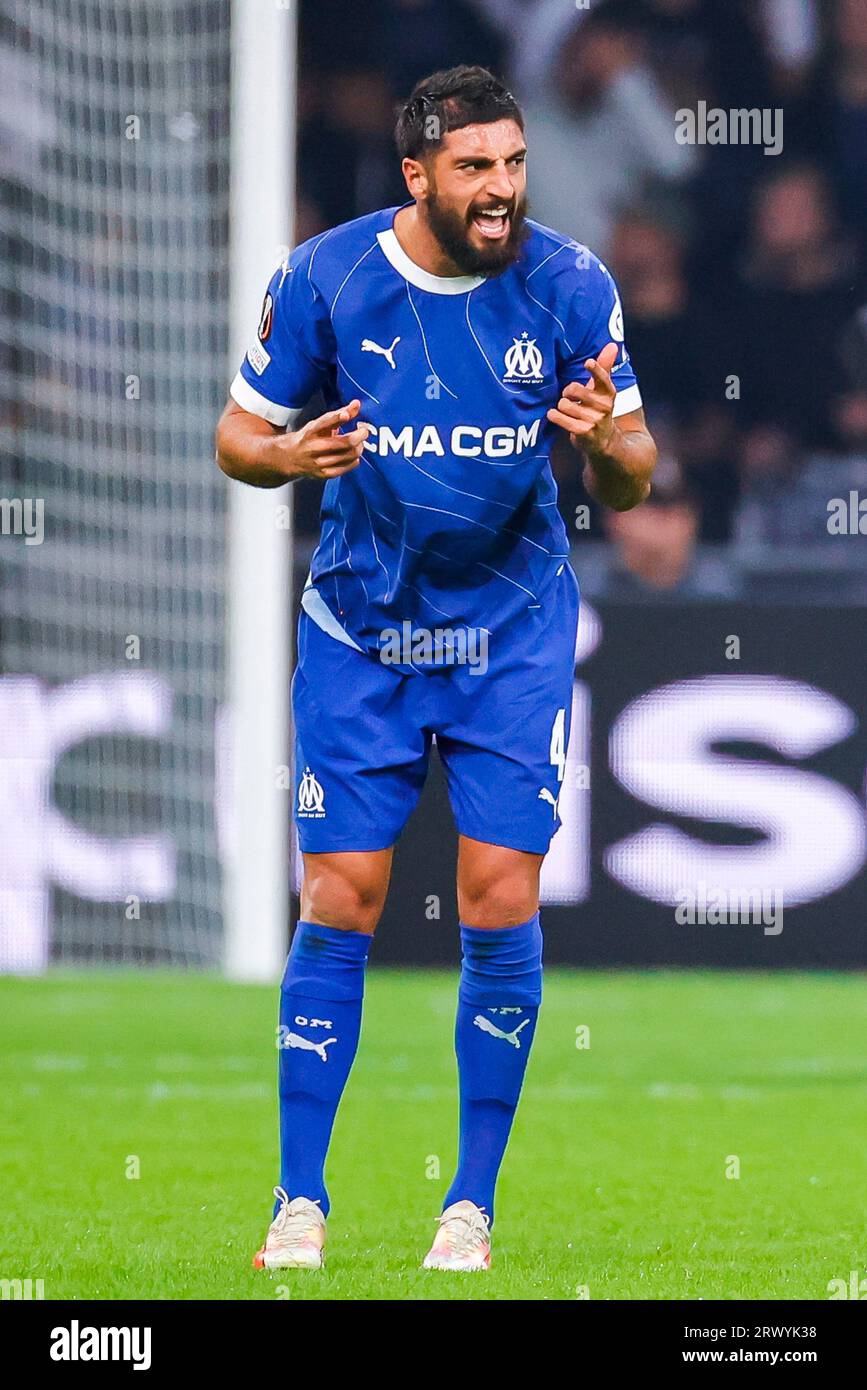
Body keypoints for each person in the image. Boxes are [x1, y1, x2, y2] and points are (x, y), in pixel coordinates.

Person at [215, 64, 656, 1273]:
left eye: (514, 164)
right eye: (476, 169)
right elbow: (237, 434)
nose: (503, 189)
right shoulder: (327, 277)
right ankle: (298, 1202)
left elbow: (633, 468)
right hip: (364, 632)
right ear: (418, 175)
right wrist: (288, 457)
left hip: (509, 636)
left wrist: (607, 451)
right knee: (341, 896)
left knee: (500, 896)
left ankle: (470, 1204)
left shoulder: (570, 285)